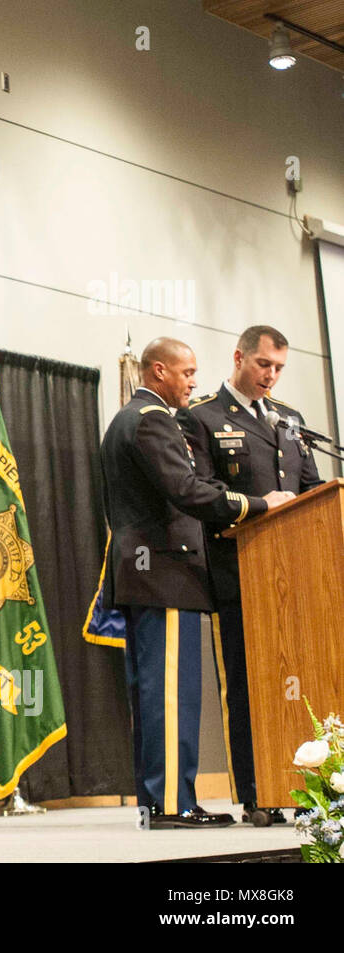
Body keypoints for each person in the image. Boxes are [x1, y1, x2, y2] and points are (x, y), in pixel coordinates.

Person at [99, 337, 292, 829]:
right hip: (164, 574)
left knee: (158, 695)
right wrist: (259, 504)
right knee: (168, 695)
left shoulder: (136, 418)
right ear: (158, 371)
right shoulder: (151, 419)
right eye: (186, 373)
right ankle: (170, 804)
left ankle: (161, 799)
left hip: (155, 574)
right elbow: (186, 490)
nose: (192, 382)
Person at [177, 325, 322, 823]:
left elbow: (311, 488)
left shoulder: (291, 420)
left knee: (307, 681)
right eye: (264, 365)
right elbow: (201, 491)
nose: (272, 377)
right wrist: (263, 508)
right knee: (246, 684)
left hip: (301, 576)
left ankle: (311, 788)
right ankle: (258, 791)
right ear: (239, 357)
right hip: (241, 572)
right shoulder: (202, 416)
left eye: (280, 368)